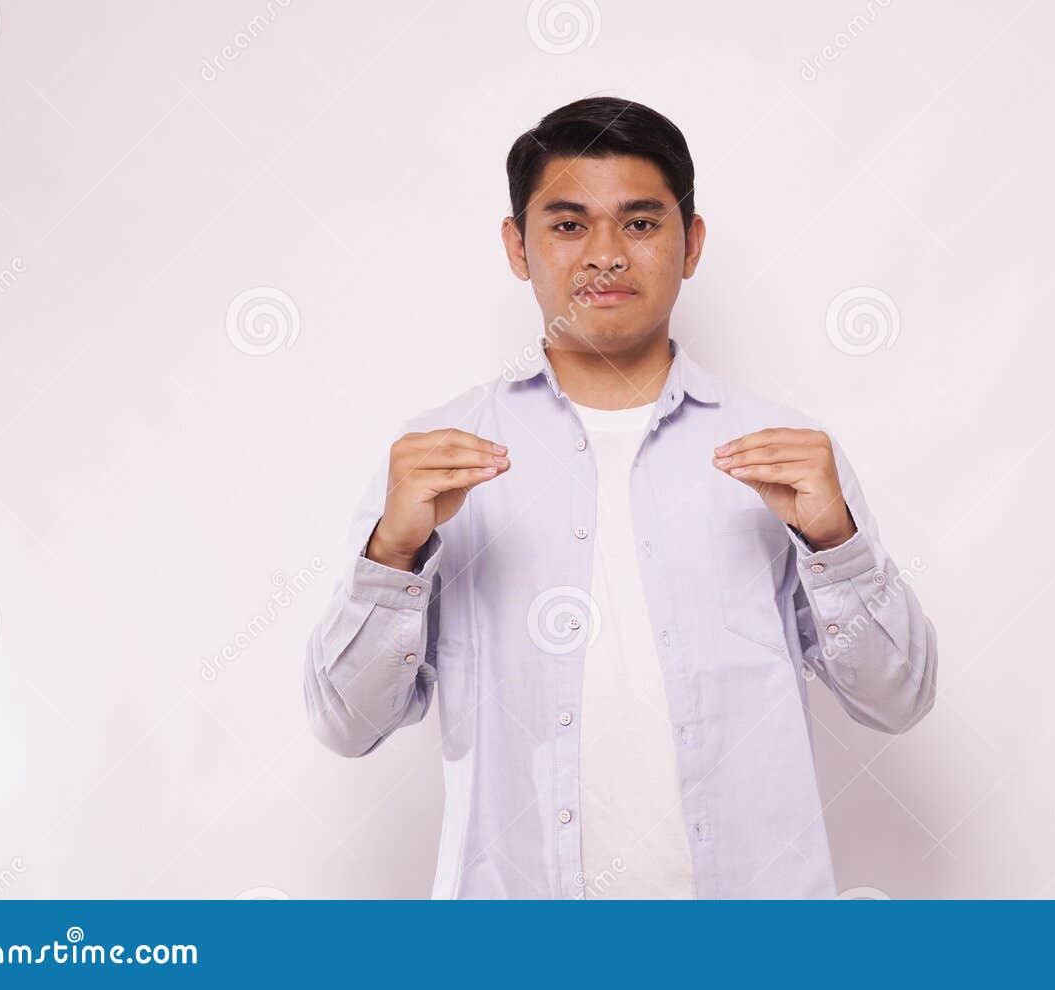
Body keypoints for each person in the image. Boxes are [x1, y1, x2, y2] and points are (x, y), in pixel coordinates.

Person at [303, 96, 937, 899]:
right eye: (568, 224)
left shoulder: (787, 454)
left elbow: (898, 700)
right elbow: (346, 724)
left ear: (691, 242)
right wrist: (391, 556)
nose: (605, 255)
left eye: (640, 223)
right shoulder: (436, 459)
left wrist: (838, 546)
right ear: (517, 246)